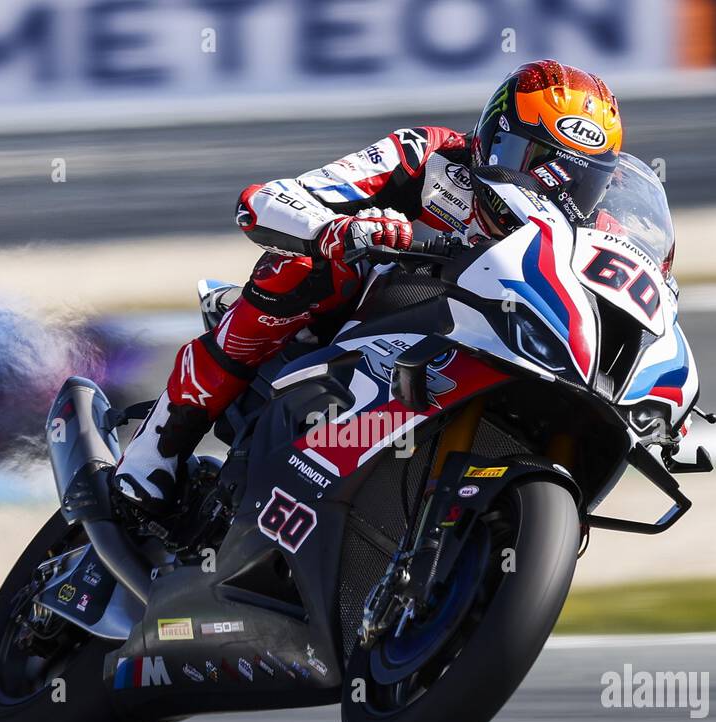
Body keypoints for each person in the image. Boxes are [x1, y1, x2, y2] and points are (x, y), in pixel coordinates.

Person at [114, 59, 624, 513]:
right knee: (301, 266)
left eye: (574, 182)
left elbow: (640, 306)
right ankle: (160, 444)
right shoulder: (427, 156)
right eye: (525, 160)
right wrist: (336, 231)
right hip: (359, 327)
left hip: (477, 354)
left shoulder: (600, 236)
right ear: (488, 137)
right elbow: (268, 199)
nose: (539, 189)